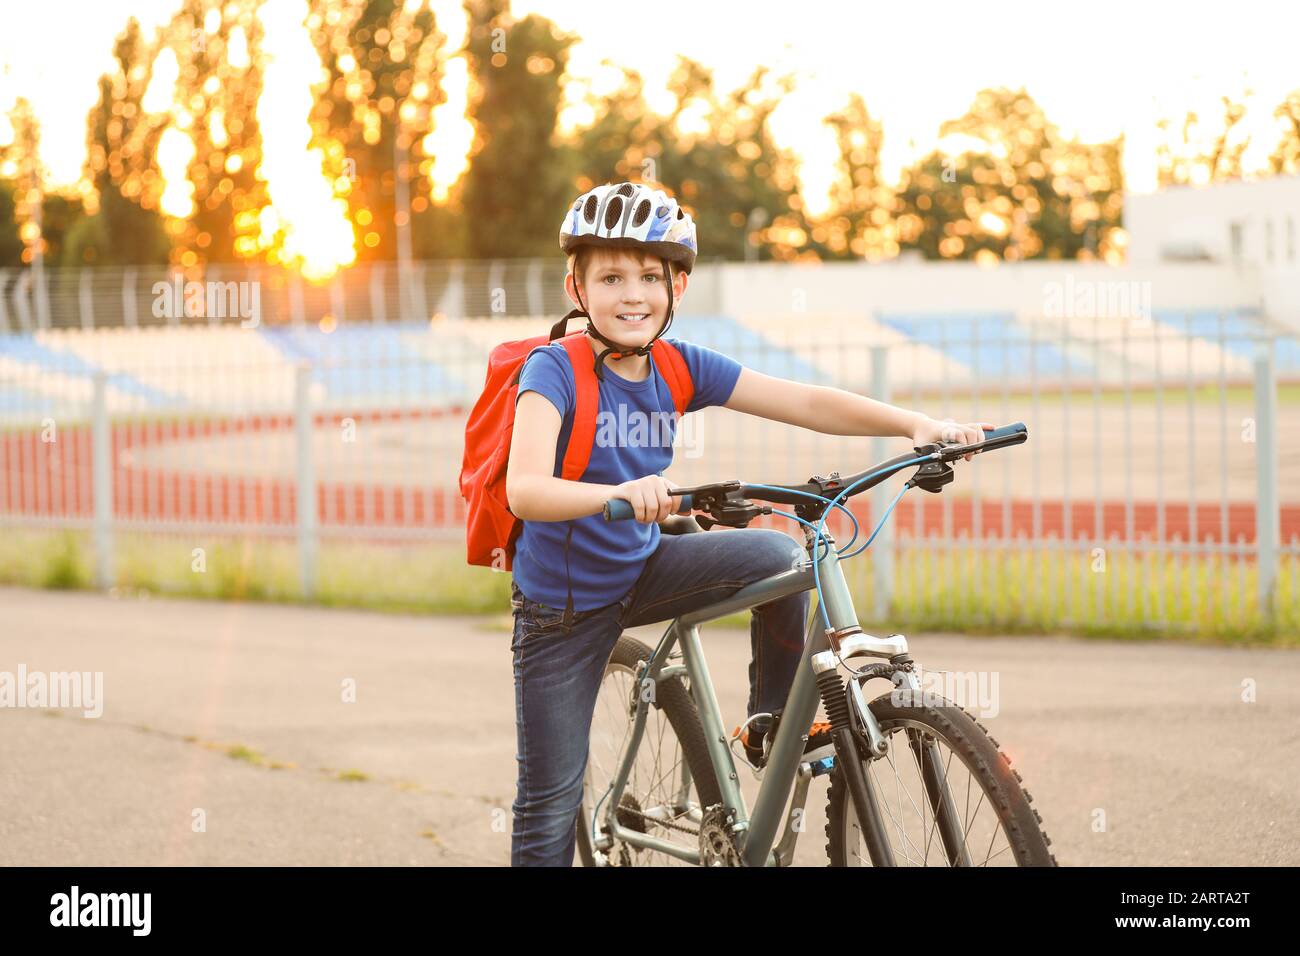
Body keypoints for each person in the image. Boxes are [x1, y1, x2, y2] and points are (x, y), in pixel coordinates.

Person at [504, 181, 991, 866]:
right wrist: (614, 493)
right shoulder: (552, 369)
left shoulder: (677, 366)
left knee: (782, 556)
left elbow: (807, 400)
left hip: (643, 566)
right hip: (564, 607)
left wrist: (916, 425)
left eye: (651, 276)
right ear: (577, 286)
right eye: (611, 276)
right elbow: (524, 490)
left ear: (678, 286)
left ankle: (766, 722)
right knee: (549, 802)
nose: (632, 294)